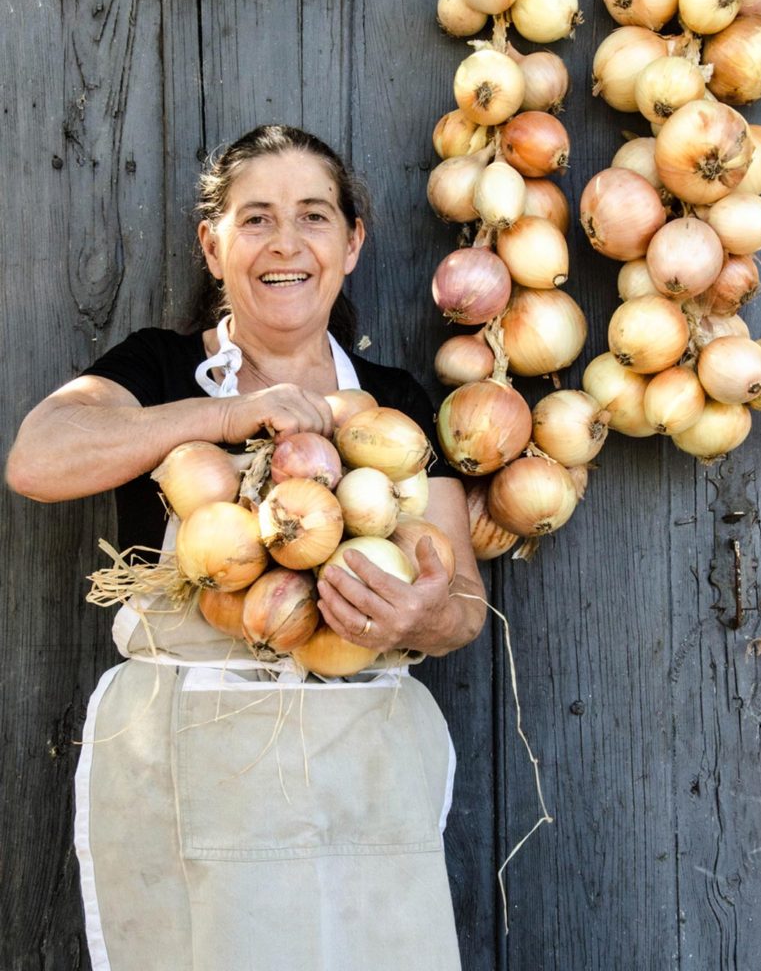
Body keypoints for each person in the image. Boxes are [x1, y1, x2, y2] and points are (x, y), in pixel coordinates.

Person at [5, 124, 487, 971]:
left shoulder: (393, 404)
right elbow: (36, 460)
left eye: (313, 216)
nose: (285, 243)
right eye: (256, 218)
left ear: (351, 244)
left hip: (360, 779)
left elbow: (466, 605)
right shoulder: (158, 372)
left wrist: (423, 616)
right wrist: (225, 416)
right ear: (212, 245)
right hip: (194, 768)